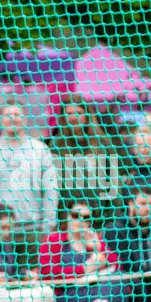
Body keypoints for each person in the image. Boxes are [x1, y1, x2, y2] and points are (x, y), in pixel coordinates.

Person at [0, 99, 59, 268]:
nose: (12, 118)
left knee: (33, 285)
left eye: (17, 115)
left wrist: (47, 226)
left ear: (25, 119)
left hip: (32, 233)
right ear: (1, 119)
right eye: (7, 115)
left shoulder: (39, 150)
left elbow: (50, 190)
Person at [48, 93, 118, 225]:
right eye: (69, 114)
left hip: (99, 217)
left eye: (78, 113)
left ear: (87, 115)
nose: (74, 118)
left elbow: (113, 181)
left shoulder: (102, 142)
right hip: (66, 219)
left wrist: (112, 215)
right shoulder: (56, 144)